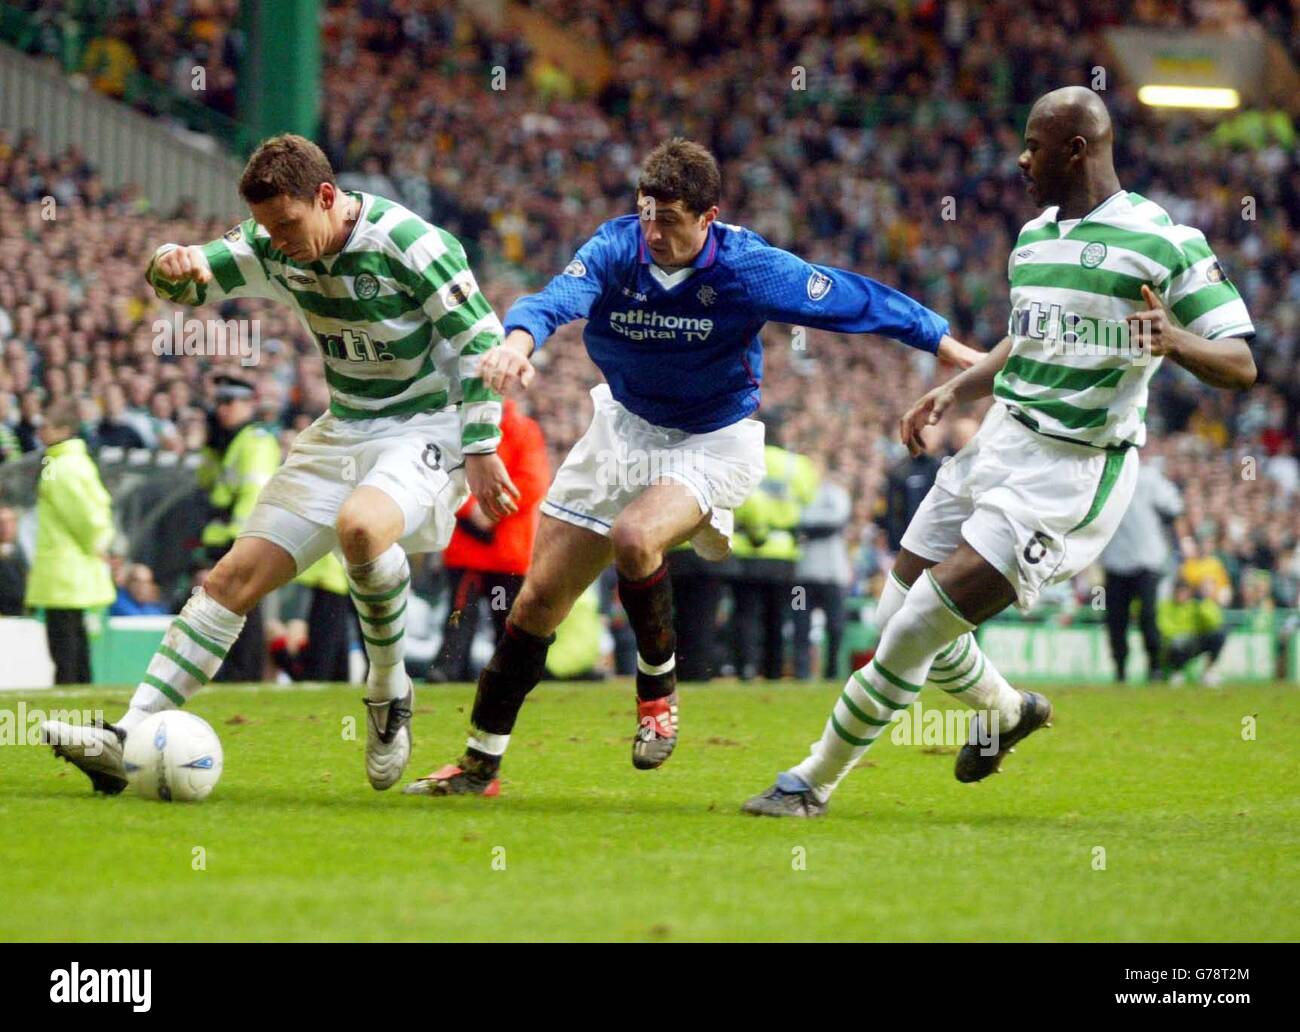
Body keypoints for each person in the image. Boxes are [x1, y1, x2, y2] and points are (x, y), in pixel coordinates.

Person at [406, 137, 979, 797]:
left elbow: (853, 300)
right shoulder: (616, 248)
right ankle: (479, 767)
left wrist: (947, 345)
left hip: (712, 439)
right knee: (536, 603)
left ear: (708, 217)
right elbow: (552, 300)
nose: (653, 231)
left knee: (635, 537)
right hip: (621, 429)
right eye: (647, 213)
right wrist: (518, 339)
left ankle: (657, 692)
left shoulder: (748, 267)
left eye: (670, 219)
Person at [744, 86, 1257, 817]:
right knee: (896, 615)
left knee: (920, 622)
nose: (1020, 159)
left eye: (1033, 145)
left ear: (1076, 149)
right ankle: (1008, 710)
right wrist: (958, 390)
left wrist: (1173, 339)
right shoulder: (1033, 238)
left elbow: (1240, 364)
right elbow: (1027, 341)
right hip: (999, 442)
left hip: (1071, 470)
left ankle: (810, 781)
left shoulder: (1164, 241)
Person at [41, 133, 511, 794]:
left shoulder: (413, 243)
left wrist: (483, 444)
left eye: (287, 223)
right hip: (344, 426)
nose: (277, 239)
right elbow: (191, 279)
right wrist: (167, 266)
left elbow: (481, 340)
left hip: (425, 424)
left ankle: (386, 689)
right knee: (232, 578)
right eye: (267, 226)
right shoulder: (274, 240)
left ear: (326, 197)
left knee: (360, 527)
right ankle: (128, 735)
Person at [428, 398, 550, 682]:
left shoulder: (522, 430)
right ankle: (449, 670)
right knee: (461, 614)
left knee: (503, 617)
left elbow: (533, 481)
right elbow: (440, 477)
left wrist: (485, 507)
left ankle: (505, 673)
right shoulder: (458, 427)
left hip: (503, 551)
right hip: (472, 550)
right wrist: (474, 508)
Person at [195, 374, 281, 682]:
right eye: (219, 402)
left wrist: (240, 543)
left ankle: (243, 672)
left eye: (230, 401)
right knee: (229, 607)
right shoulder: (225, 442)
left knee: (243, 608)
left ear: (249, 404)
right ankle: (232, 671)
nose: (223, 409)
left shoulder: (255, 441)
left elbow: (252, 495)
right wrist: (210, 446)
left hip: (241, 538)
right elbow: (205, 485)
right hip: (223, 538)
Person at [24, 398, 116, 684]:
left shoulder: (62, 467)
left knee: (63, 636)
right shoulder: (68, 462)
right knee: (73, 632)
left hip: (65, 566)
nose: (40, 432)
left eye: (46, 426)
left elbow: (83, 516)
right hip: (69, 565)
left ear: (64, 429)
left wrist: (95, 544)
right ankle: (79, 684)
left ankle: (71, 685)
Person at [1099, 456, 1183, 682]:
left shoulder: (1146, 477)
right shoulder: (1106, 472)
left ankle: (1154, 666)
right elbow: (1174, 508)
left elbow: (1174, 507)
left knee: (1145, 616)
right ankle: (1122, 669)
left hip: (1145, 559)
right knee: (1118, 619)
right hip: (1117, 558)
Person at [792, 465, 853, 680]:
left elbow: (835, 519)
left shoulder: (835, 494)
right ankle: (801, 673)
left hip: (833, 576)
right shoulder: (798, 492)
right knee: (799, 625)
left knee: (835, 625)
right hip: (800, 578)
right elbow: (793, 518)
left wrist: (805, 527)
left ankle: (832, 672)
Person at [1158, 577, 1227, 686]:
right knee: (1178, 643)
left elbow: (1213, 623)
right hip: (1172, 646)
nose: (1181, 594)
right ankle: (1176, 673)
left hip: (1191, 643)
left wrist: (1202, 605)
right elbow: (1164, 629)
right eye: (1179, 591)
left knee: (1218, 635)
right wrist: (1185, 634)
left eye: (1184, 591)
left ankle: (1208, 673)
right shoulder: (1164, 606)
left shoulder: (1195, 605)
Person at [0, 504, 28, 616]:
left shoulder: (25, 551)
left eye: (9, 522)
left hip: (22, 612)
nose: (5, 527)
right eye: (1, 523)